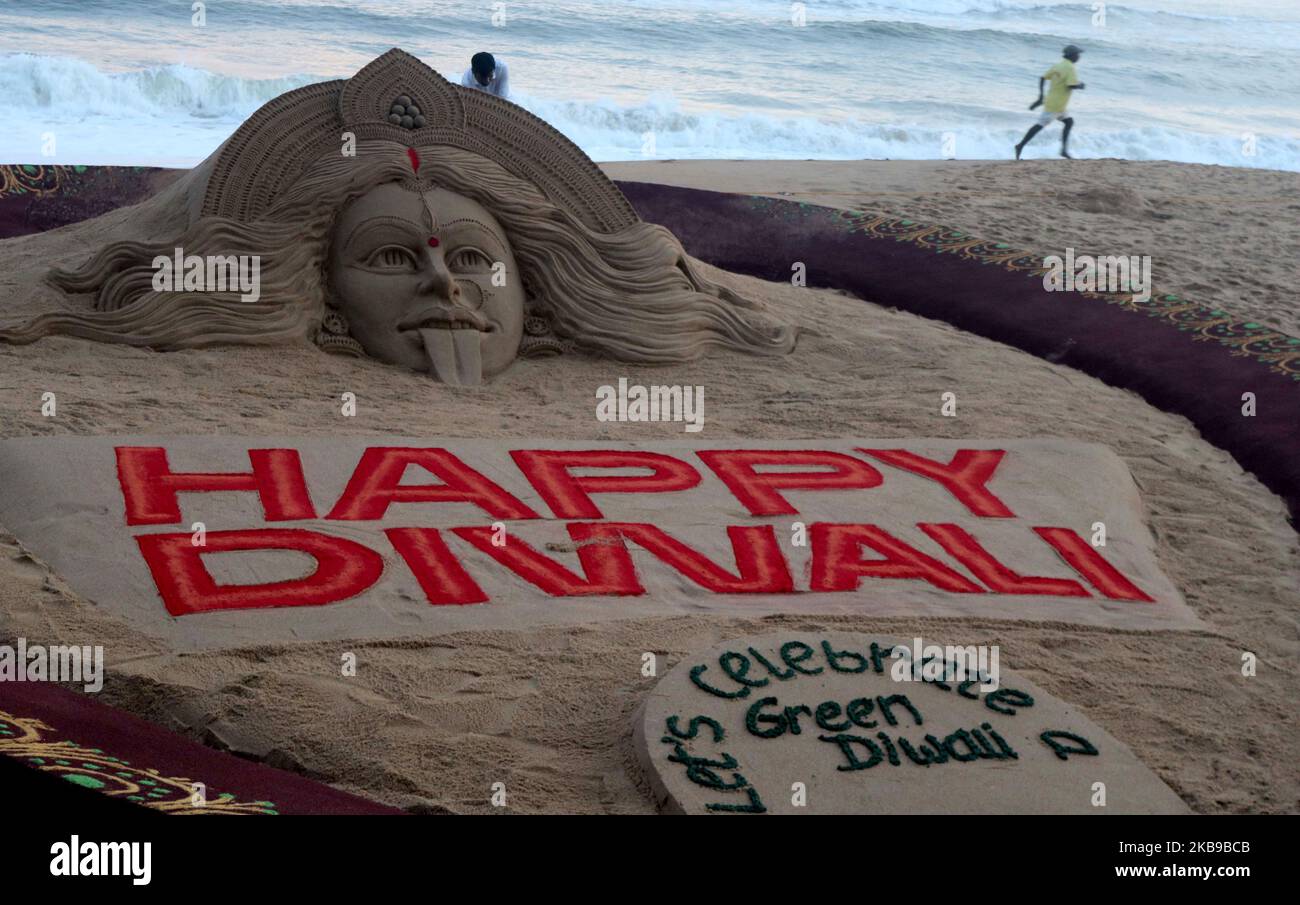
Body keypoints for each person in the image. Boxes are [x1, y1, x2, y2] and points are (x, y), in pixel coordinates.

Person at [1015, 45, 1085, 160]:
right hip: (1056, 106)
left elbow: (1042, 78)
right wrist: (1080, 85)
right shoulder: (1070, 68)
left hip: (1056, 103)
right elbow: (1071, 85)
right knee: (1039, 125)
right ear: (1072, 55)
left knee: (1069, 122)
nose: (1079, 57)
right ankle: (1020, 146)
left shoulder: (1058, 66)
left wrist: (1041, 96)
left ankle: (1064, 150)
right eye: (1077, 54)